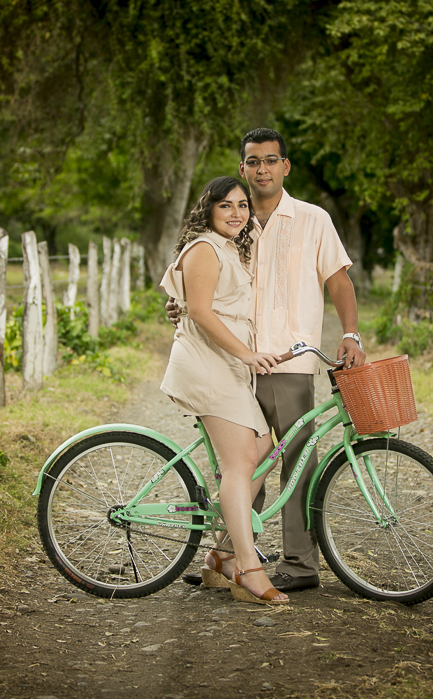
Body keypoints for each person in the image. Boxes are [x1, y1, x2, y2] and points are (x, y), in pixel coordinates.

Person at [174, 128, 367, 592]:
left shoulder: (313, 219)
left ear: (286, 166)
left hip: (288, 360)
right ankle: (229, 554)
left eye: (271, 160)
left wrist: (350, 332)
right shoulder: (231, 224)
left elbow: (338, 280)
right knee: (242, 461)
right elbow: (204, 284)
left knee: (297, 459)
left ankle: (299, 564)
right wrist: (181, 303)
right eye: (253, 161)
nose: (262, 169)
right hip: (232, 362)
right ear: (242, 168)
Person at [160, 176, 289, 605]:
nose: (236, 213)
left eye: (242, 205)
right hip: (207, 362)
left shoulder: (231, 247)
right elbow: (199, 311)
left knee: (266, 449)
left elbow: (201, 302)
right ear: (209, 209)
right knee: (240, 462)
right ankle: (247, 568)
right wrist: (248, 355)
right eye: (226, 206)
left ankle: (222, 553)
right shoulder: (204, 247)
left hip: (227, 362)